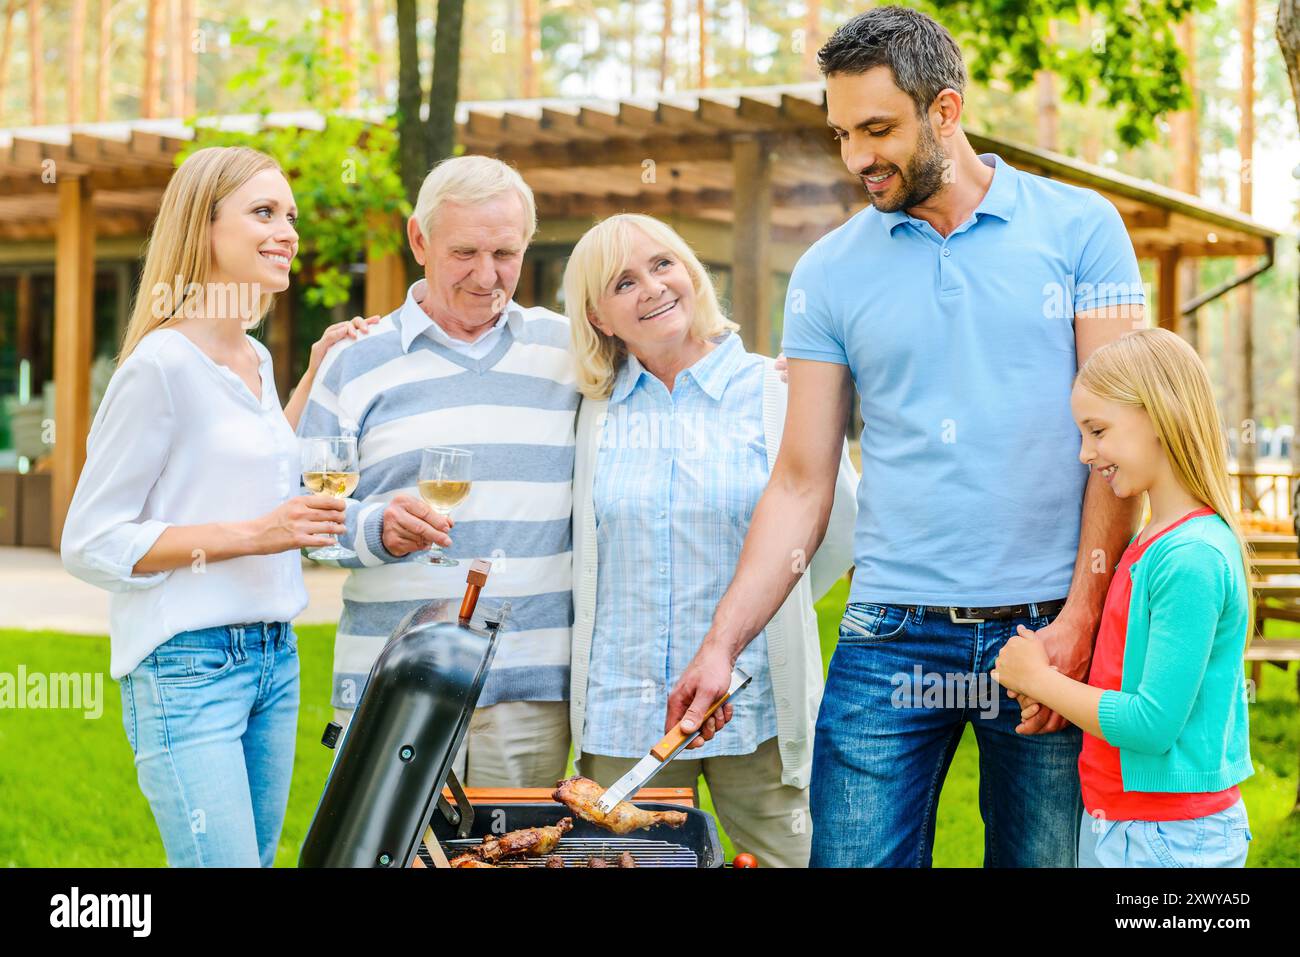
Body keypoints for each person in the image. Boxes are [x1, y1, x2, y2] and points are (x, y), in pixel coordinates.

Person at [666, 5, 1148, 867]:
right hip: (889, 633)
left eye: (878, 129)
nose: (857, 158)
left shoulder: (1082, 231)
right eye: (843, 132)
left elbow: (1121, 450)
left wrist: (1081, 615)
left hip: (1047, 630)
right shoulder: (827, 272)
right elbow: (801, 481)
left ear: (947, 112)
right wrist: (721, 643)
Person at [61, 145, 376, 866]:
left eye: (290, 215)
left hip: (274, 655)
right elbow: (90, 539)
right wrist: (258, 534)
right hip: (188, 664)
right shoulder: (159, 367)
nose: (287, 231)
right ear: (204, 227)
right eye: (263, 212)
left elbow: (259, 468)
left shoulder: (255, 357)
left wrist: (314, 370)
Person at [562, 214, 857, 867]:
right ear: (599, 317)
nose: (652, 288)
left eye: (663, 264)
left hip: (752, 710)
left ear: (691, 271)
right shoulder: (591, 412)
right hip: (623, 712)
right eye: (623, 282)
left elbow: (834, 533)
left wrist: (767, 623)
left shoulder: (775, 390)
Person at [297, 155, 578, 787]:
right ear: (419, 240)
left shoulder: (569, 352)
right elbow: (305, 513)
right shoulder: (354, 363)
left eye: (506, 253)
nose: (488, 276)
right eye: (465, 252)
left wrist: (769, 380)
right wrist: (376, 530)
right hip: (392, 684)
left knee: (517, 856)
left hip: (530, 686)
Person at [993, 328, 1254, 868]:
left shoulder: (1190, 558)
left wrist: (1040, 681)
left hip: (1168, 836)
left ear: (1158, 414)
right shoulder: (1153, 542)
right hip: (1131, 823)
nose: (1086, 454)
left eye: (1097, 431)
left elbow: (1150, 725)